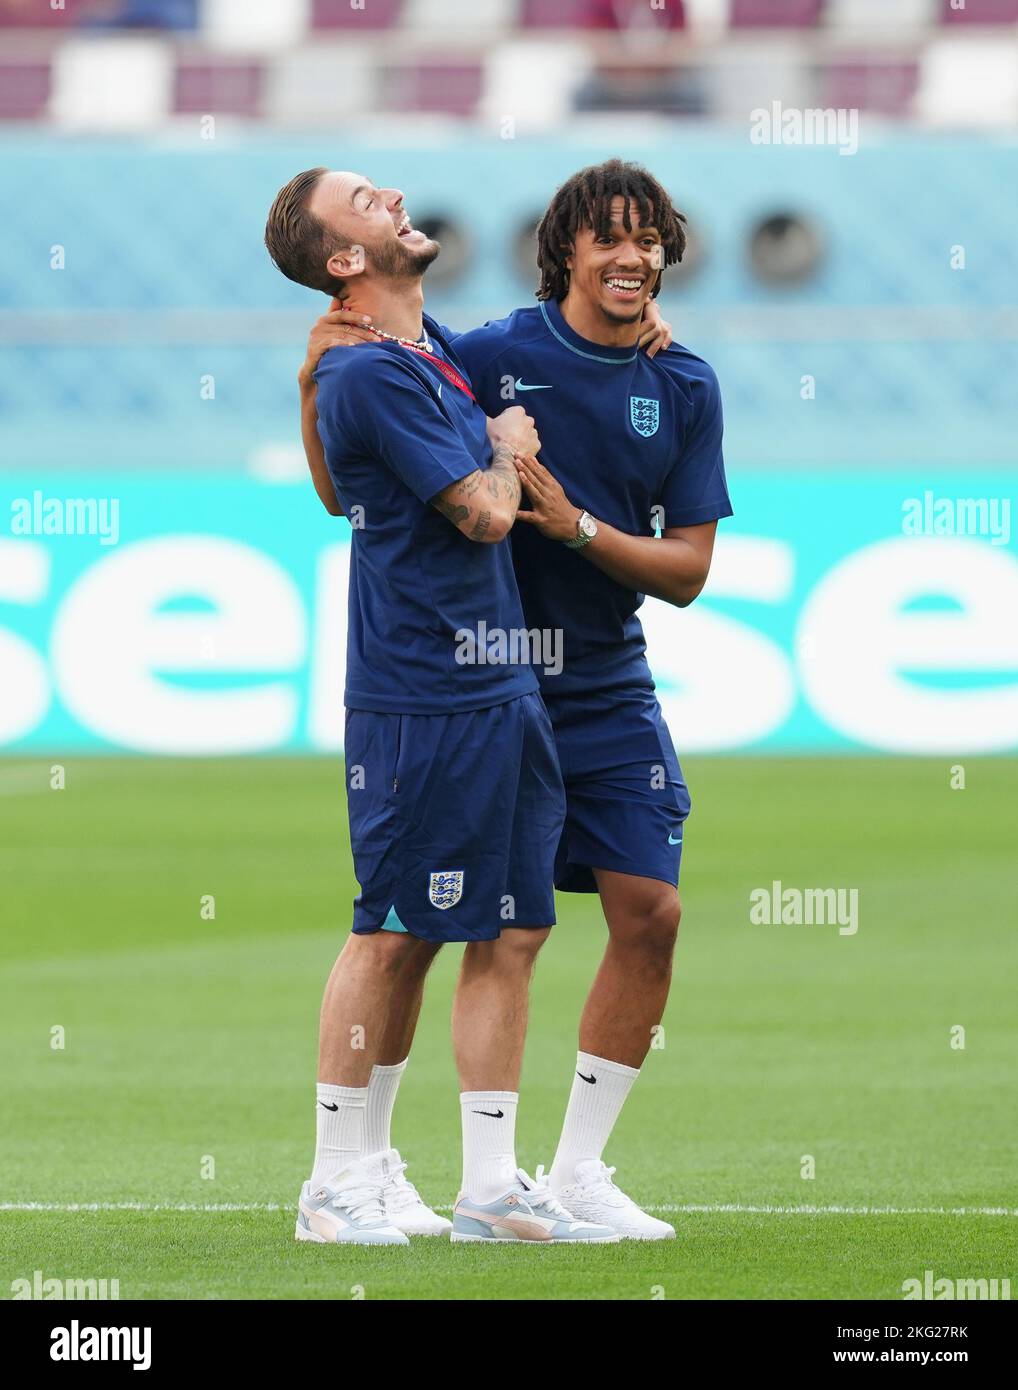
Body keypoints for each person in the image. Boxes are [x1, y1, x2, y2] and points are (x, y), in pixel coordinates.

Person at [298, 159, 732, 1241]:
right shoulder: (479, 354)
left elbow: (686, 570)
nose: (629, 257)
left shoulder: (682, 381)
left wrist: (577, 522)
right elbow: (364, 458)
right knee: (431, 927)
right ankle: (369, 1170)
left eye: (648, 240)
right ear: (567, 252)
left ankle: (564, 1173)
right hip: (467, 677)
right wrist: (316, 382)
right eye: (608, 239)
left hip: (592, 680)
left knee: (642, 911)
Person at [264, 167, 617, 1245]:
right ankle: (332, 1182)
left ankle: (457, 1180)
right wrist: (507, 453)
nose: (395, 195)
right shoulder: (369, 373)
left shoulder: (409, 353)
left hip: (495, 673)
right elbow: (477, 516)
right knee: (391, 930)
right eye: (366, 200)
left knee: (505, 923)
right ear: (342, 261)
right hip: (422, 690)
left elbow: (333, 490)